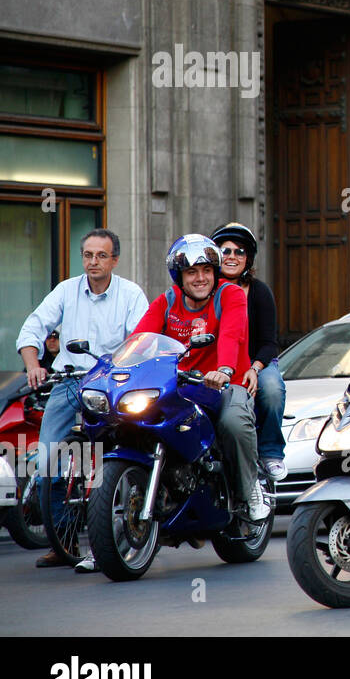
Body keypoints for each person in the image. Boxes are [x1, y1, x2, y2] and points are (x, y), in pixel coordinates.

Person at [17, 228, 149, 569]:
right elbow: (33, 327)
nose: (94, 261)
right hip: (69, 380)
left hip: (110, 384)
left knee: (113, 460)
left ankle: (112, 538)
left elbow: (140, 341)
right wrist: (34, 365)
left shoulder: (131, 294)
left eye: (101, 255)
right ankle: (62, 539)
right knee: (49, 459)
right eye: (88, 255)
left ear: (115, 260)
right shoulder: (66, 290)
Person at [130, 235, 269, 524]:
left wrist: (226, 369)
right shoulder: (167, 301)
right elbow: (139, 340)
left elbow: (232, 335)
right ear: (179, 276)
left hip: (228, 383)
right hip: (182, 387)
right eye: (192, 272)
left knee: (233, 424)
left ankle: (251, 486)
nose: (200, 278)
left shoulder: (230, 295)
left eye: (206, 270)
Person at [211, 222, 286, 483]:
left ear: (249, 258)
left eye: (239, 252)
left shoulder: (259, 291)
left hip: (257, 361)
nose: (232, 257)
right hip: (215, 364)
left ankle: (270, 453)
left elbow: (269, 342)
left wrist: (254, 368)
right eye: (226, 250)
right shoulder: (202, 289)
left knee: (273, 390)